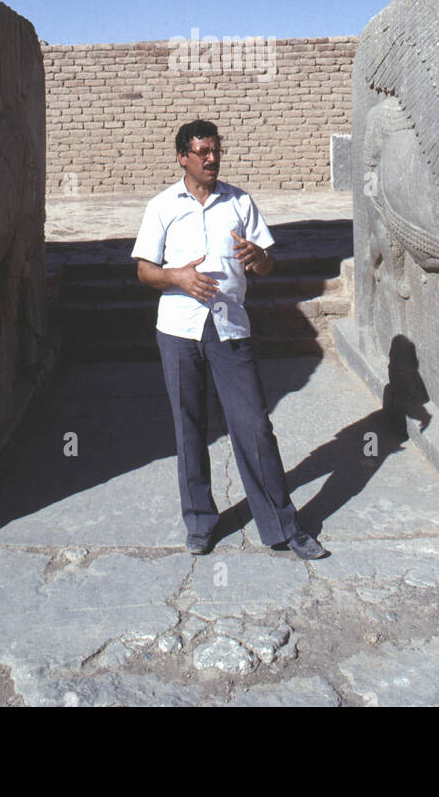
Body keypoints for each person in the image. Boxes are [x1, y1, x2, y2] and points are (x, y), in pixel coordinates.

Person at [131, 119, 327, 559]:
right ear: (183, 157)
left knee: (254, 425)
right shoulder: (162, 206)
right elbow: (144, 270)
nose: (211, 159)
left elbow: (266, 264)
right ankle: (200, 521)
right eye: (201, 152)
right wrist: (176, 276)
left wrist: (259, 258)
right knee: (189, 427)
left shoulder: (240, 202)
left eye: (216, 150)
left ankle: (283, 524)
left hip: (229, 326)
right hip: (178, 330)